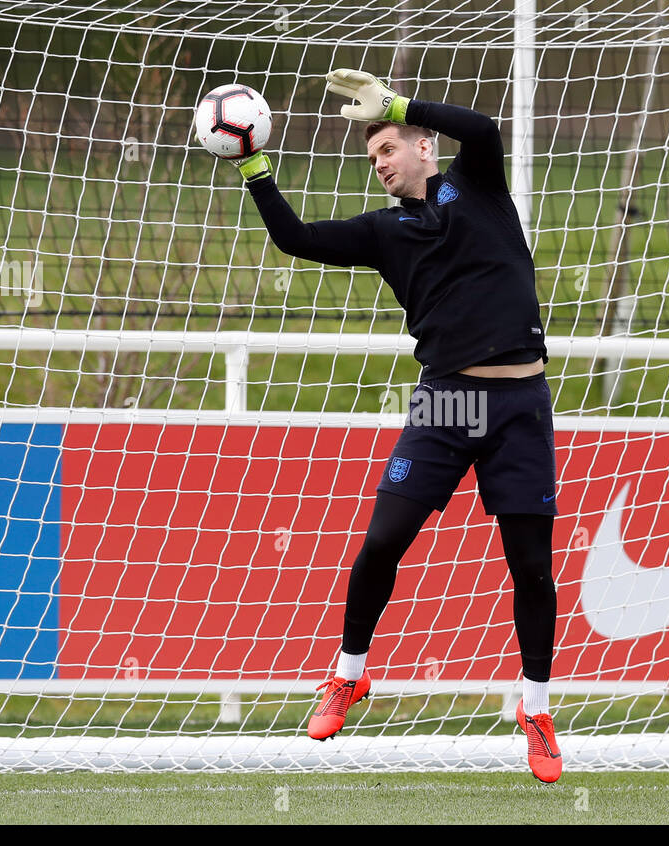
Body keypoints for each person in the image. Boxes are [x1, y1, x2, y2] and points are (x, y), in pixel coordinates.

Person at [232, 68, 561, 782]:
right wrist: (252, 162)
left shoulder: (477, 185)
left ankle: (535, 709)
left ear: (422, 146)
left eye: (387, 146)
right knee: (383, 541)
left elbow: (484, 128)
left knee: (531, 567)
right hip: (446, 402)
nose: (379, 161)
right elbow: (293, 238)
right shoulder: (384, 231)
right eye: (372, 155)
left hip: (518, 405)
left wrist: (398, 102)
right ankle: (350, 673)